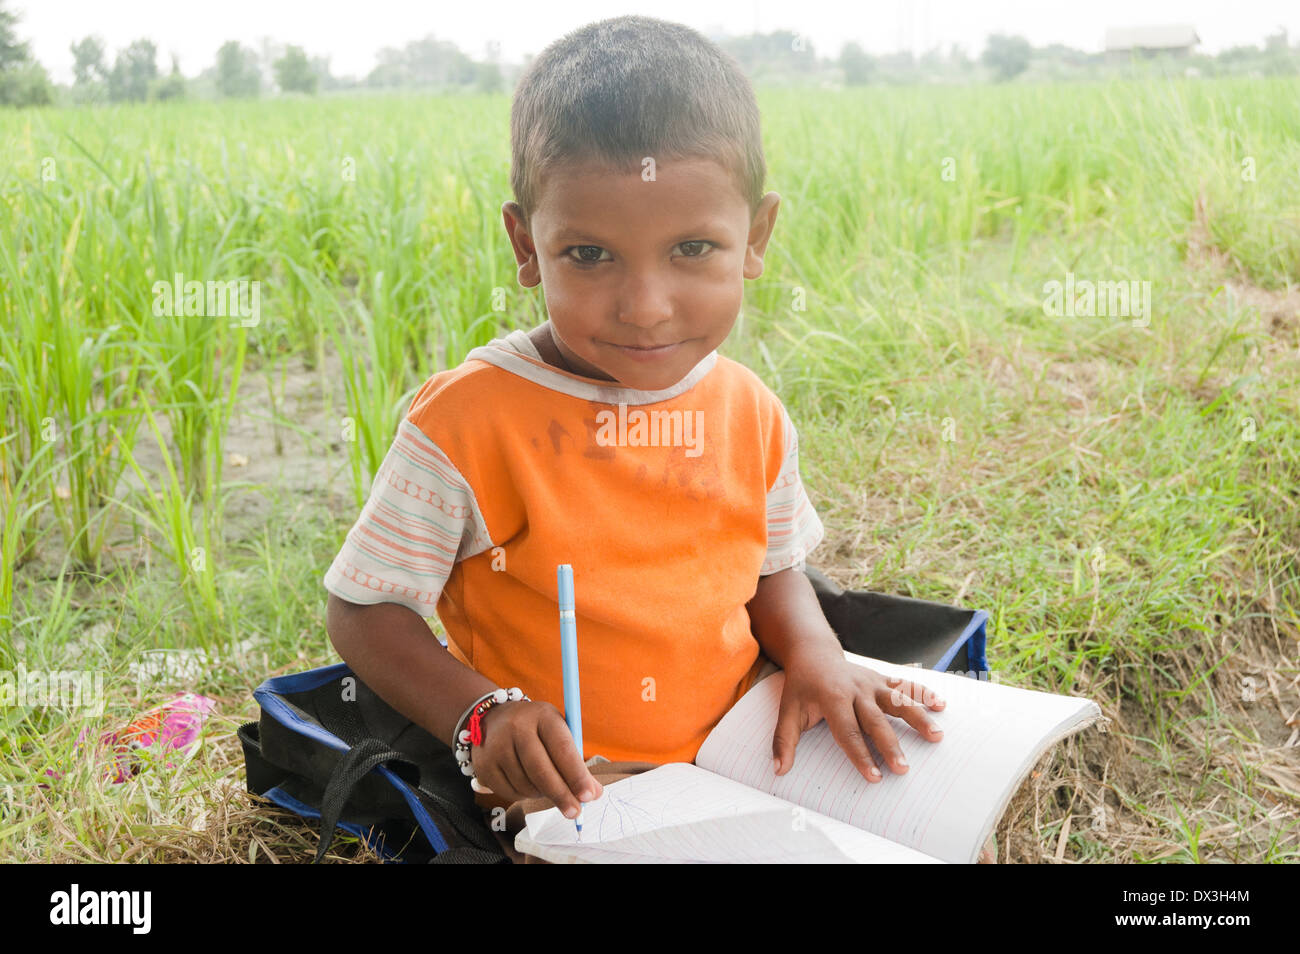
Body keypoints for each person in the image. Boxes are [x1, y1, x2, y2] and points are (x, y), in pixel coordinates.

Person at [323, 14, 948, 862]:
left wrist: (814, 653)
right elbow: (366, 611)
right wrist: (484, 716)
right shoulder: (467, 424)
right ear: (526, 245)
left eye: (693, 248)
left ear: (756, 238)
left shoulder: (749, 409)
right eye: (589, 254)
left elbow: (770, 568)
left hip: (749, 752)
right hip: (579, 790)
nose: (645, 305)